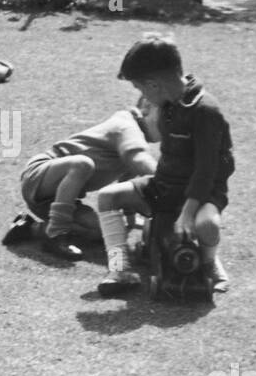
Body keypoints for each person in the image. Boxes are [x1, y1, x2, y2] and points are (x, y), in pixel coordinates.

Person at [93, 35, 234, 298]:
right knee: (107, 197)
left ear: (154, 84)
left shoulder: (206, 111)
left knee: (207, 225)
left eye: (140, 88)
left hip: (204, 192)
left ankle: (209, 263)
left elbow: (207, 170)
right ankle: (119, 268)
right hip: (165, 186)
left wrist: (188, 213)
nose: (141, 96)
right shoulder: (167, 104)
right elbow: (153, 140)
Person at [5, 100, 160, 260]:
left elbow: (127, 180)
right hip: (38, 176)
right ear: (147, 106)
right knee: (82, 164)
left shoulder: (134, 139)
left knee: (101, 232)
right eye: (166, 116)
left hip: (58, 199)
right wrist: (166, 180)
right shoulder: (127, 126)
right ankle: (56, 234)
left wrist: (131, 219)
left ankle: (31, 228)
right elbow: (139, 160)